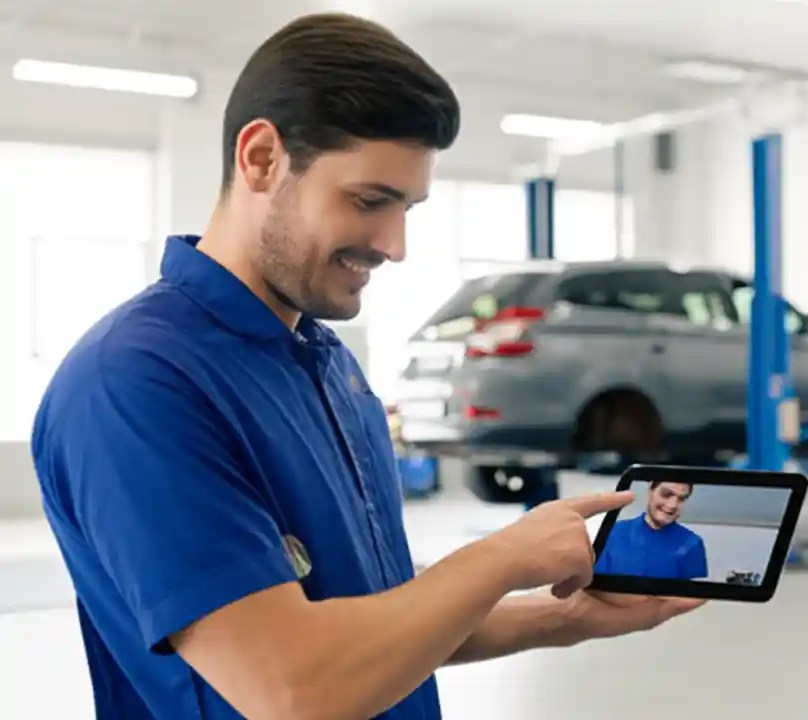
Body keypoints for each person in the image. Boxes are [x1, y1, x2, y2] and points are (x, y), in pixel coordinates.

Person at [30, 13, 701, 720]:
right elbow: (294, 686)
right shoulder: (134, 384)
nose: (395, 243)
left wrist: (562, 618)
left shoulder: (331, 369)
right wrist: (502, 557)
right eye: (370, 201)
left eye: (408, 207)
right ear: (261, 159)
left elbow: (377, 616)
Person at [595, 482, 709, 580]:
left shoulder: (692, 543)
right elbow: (596, 586)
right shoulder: (614, 532)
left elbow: (691, 599)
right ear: (650, 490)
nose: (672, 505)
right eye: (666, 494)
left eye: (681, 499)